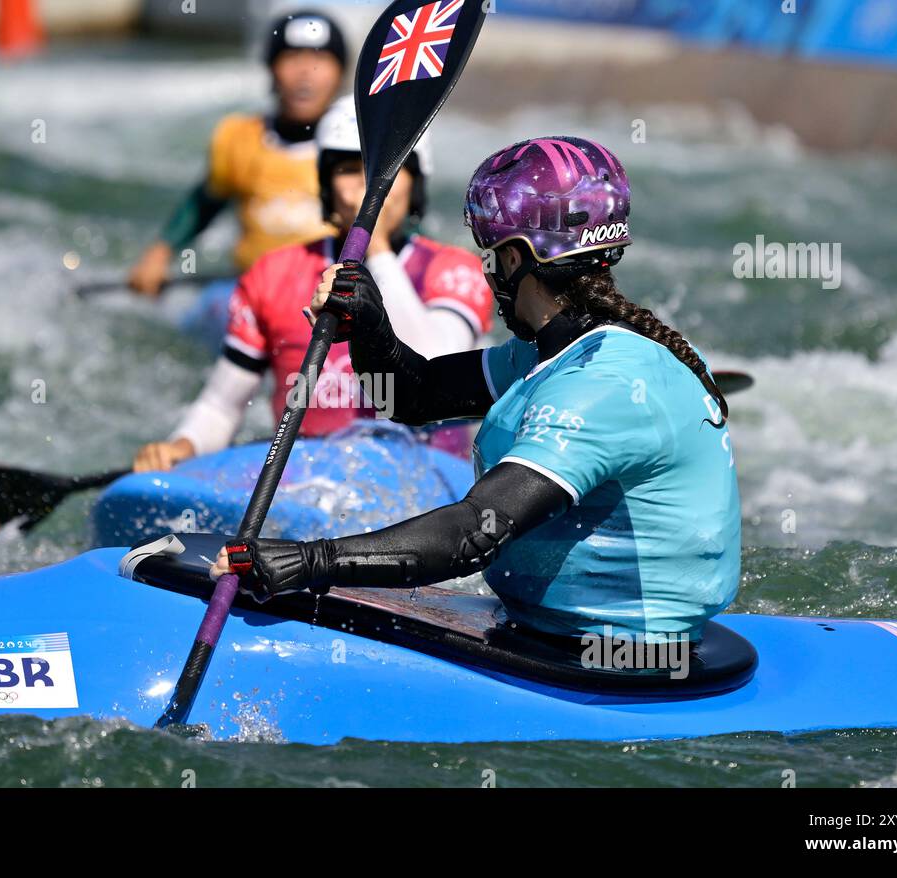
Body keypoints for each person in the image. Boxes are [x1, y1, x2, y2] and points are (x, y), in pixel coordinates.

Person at [210, 137, 741, 644]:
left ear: (513, 258)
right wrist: (370, 327)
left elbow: (473, 533)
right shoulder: (552, 348)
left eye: (488, 253)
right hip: (546, 626)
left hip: (618, 656)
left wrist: (307, 564)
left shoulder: (602, 384)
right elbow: (411, 399)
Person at [132, 97, 494, 472]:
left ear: (415, 183)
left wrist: (378, 247)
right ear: (326, 185)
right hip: (306, 481)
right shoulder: (272, 274)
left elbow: (431, 367)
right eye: (351, 170)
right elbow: (221, 406)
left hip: (425, 479)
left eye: (387, 172)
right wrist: (183, 447)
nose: (370, 188)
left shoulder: (454, 269)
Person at [127, 9, 347, 296]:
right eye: (292, 57)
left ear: (341, 72)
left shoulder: (361, 146)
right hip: (251, 289)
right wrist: (160, 253)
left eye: (319, 57)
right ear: (271, 69)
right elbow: (204, 204)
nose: (305, 71)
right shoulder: (239, 138)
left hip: (331, 295)